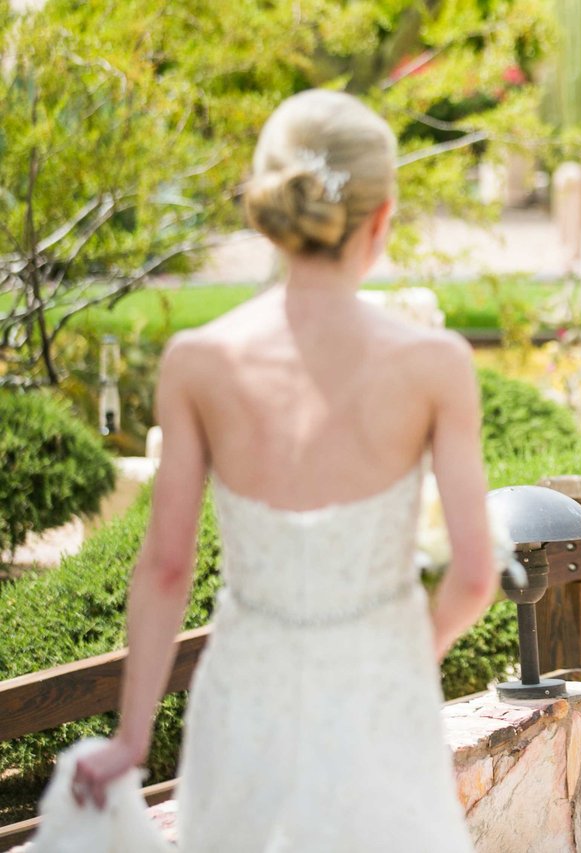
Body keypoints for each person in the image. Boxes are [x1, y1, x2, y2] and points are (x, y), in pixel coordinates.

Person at [35, 89, 497, 851]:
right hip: (382, 696)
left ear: (273, 213)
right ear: (381, 221)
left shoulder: (198, 361)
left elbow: (164, 567)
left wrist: (130, 738)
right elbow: (475, 576)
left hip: (244, 700)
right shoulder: (434, 364)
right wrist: (402, 661)